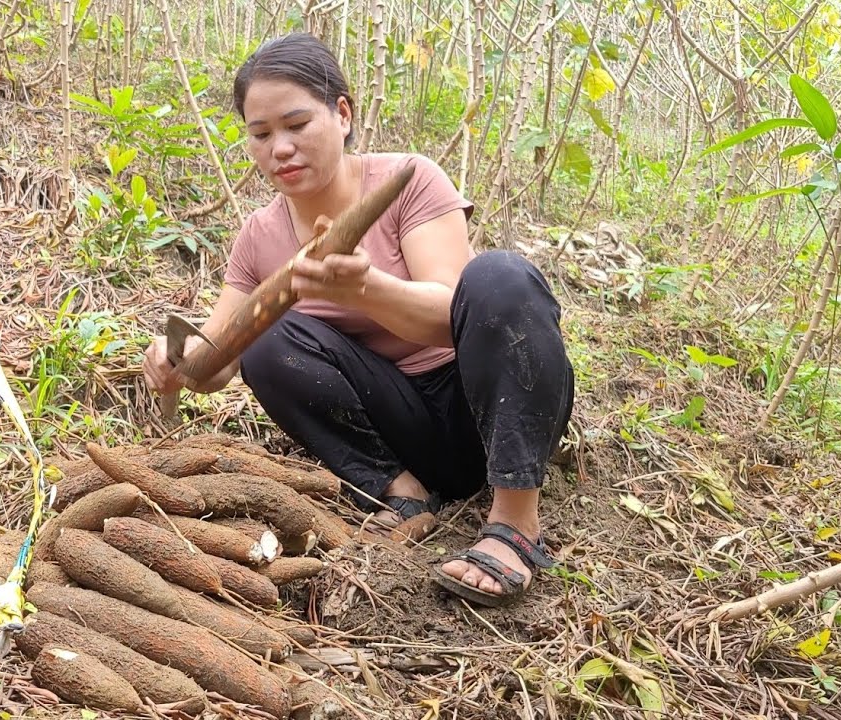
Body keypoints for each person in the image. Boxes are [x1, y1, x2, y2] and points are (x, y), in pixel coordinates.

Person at [143, 32, 575, 607]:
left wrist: (367, 289)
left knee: (502, 277)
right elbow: (221, 358)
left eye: (297, 124)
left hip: (485, 412)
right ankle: (401, 491)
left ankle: (515, 523)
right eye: (261, 134)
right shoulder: (259, 237)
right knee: (269, 342)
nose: (280, 149)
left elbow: (454, 316)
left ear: (342, 115)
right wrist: (177, 361)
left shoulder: (409, 180)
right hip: (400, 428)